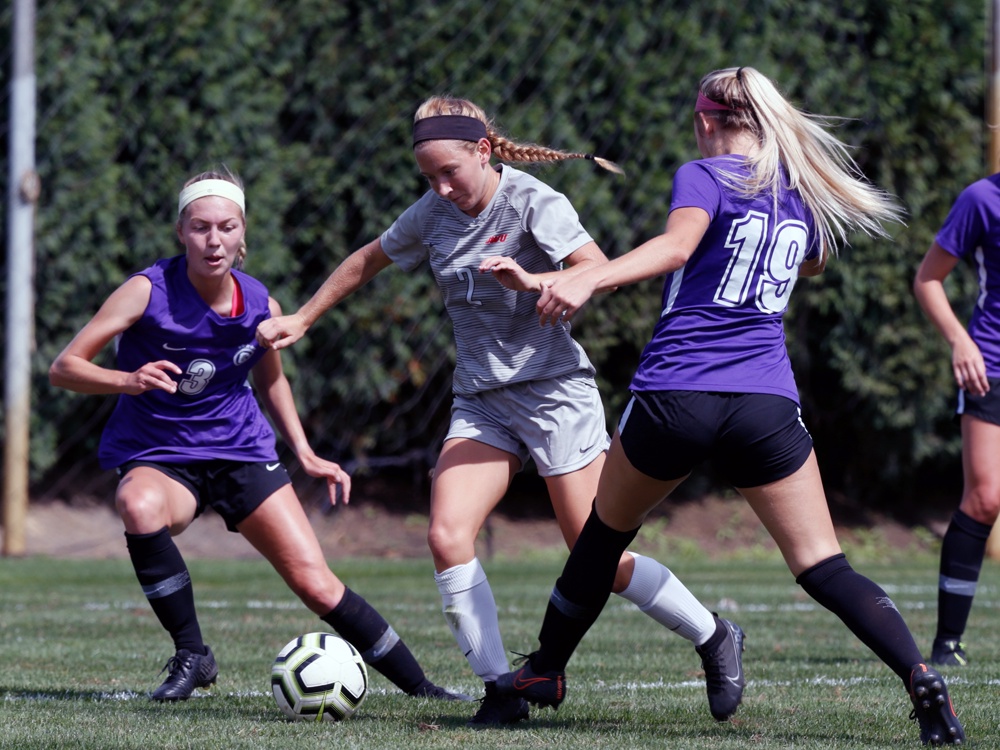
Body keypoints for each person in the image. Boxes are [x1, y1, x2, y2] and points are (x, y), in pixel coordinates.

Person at [491, 67, 966, 746]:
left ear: (710, 119)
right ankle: (918, 672)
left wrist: (579, 278)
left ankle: (545, 671)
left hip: (677, 394)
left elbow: (678, 247)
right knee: (823, 564)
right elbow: (812, 261)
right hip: (764, 404)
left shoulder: (704, 176)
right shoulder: (800, 195)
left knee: (601, 536)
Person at [256, 96, 747, 727]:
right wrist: (301, 316)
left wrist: (530, 280)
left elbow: (596, 271)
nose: (440, 188)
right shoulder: (432, 213)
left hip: (555, 394)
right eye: (427, 177)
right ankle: (501, 690)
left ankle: (713, 635)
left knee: (595, 554)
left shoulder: (533, 201)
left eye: (449, 173)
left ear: (483, 151)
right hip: (483, 401)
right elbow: (367, 259)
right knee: (445, 534)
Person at [49, 168, 466, 704]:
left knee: (315, 583)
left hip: (242, 451)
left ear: (243, 233)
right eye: (200, 227)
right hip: (162, 454)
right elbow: (64, 367)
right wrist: (125, 380)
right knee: (138, 504)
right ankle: (193, 655)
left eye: (226, 227)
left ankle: (422, 687)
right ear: (181, 232)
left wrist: (307, 453)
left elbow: (272, 382)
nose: (213, 240)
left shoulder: (259, 302)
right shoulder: (145, 291)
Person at [913, 173, 1000, 668]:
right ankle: (948, 642)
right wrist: (959, 340)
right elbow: (928, 279)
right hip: (991, 366)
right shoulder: (982, 199)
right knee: (985, 498)